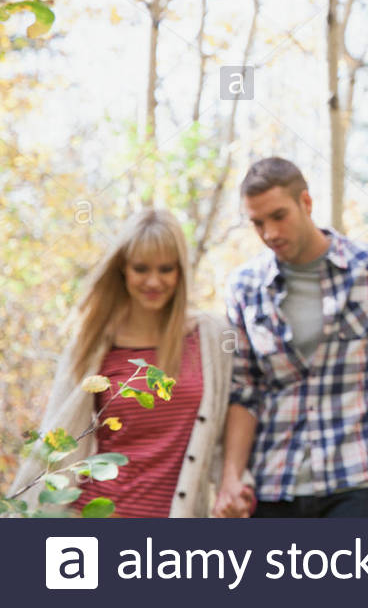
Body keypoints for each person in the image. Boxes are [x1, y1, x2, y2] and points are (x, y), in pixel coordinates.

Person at [213, 157, 368, 518]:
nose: (270, 233)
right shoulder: (245, 287)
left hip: (356, 479)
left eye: (279, 216)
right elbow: (244, 390)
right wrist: (231, 478)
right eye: (258, 223)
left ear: (306, 203)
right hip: (273, 483)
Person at [9, 208, 242, 517]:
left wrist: (235, 484)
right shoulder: (93, 342)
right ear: (123, 269)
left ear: (180, 271)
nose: (153, 281)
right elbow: (59, 438)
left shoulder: (212, 337)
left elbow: (231, 421)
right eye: (141, 268)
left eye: (166, 269)